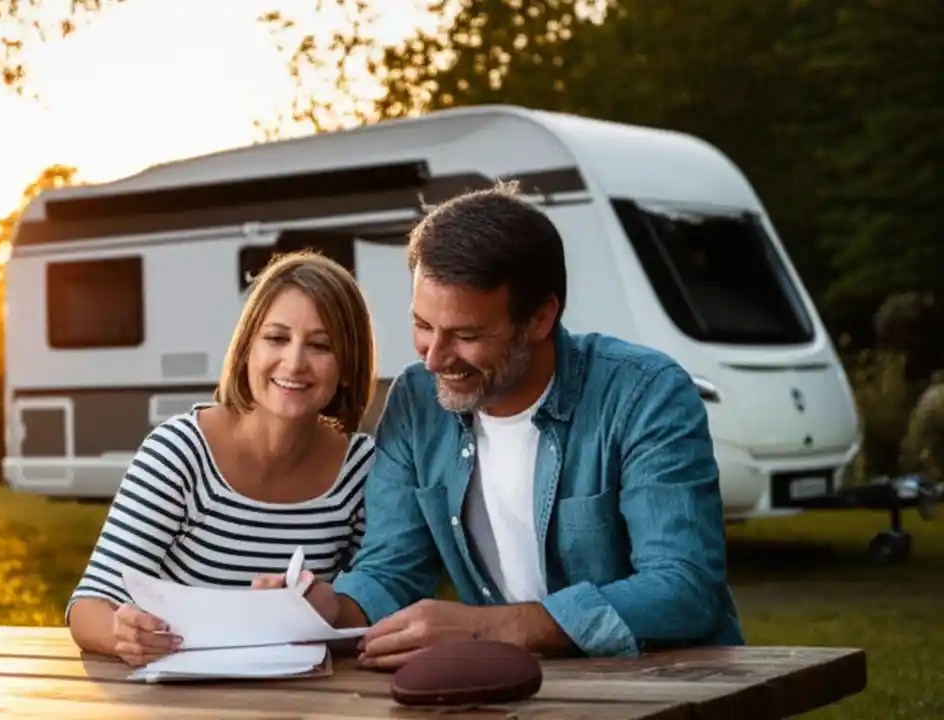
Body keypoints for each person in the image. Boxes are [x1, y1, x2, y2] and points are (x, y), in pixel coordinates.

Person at [255, 182, 744, 665]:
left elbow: (683, 586)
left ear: (539, 319)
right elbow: (391, 569)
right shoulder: (416, 401)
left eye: (466, 334)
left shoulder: (645, 393)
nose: (435, 359)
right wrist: (331, 610)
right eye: (423, 327)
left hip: (669, 687)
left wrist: (488, 628)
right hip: (518, 687)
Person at [66, 250, 378, 666]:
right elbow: (88, 607)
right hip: (177, 697)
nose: (295, 362)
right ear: (248, 346)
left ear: (347, 368)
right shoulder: (180, 452)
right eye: (277, 338)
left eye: (320, 345)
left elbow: (372, 610)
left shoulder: (361, 469)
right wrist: (120, 634)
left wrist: (329, 608)